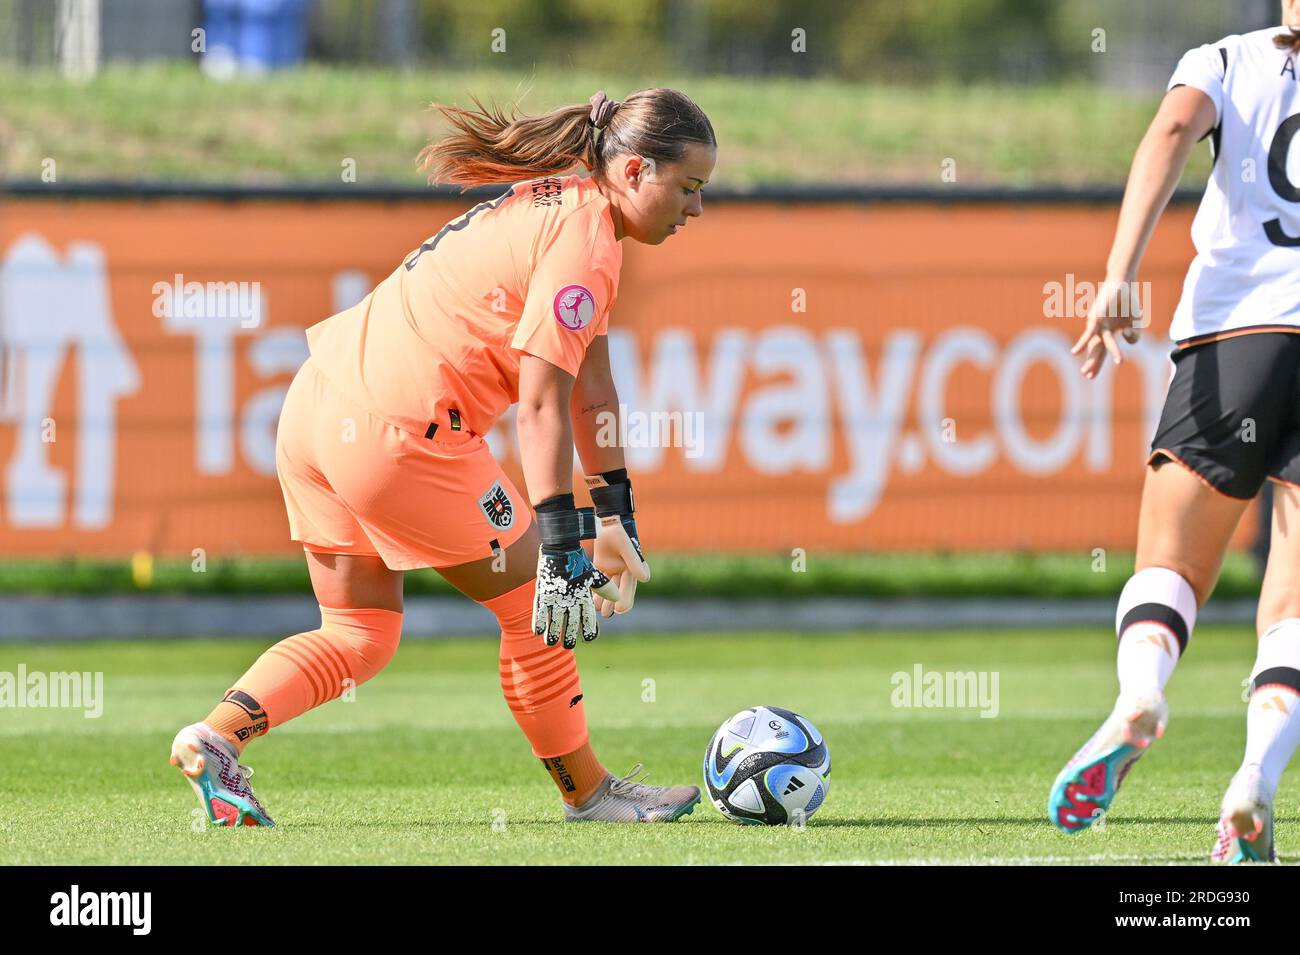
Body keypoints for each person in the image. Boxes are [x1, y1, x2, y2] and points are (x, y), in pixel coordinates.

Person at [168, 88, 717, 826]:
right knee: (536, 605)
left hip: (314, 408)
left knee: (360, 632)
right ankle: (590, 794)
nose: (696, 209)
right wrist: (562, 542)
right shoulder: (586, 237)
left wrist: (614, 510)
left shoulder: (563, 206)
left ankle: (217, 737)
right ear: (633, 171)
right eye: (688, 187)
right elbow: (544, 402)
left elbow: (593, 383)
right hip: (402, 435)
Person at [1048, 5, 1300, 862]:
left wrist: (1119, 272)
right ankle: (1255, 782)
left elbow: (1167, 132)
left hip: (1239, 338)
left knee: (1173, 567)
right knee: (1295, 608)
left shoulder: (1228, 59)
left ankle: (1140, 697)